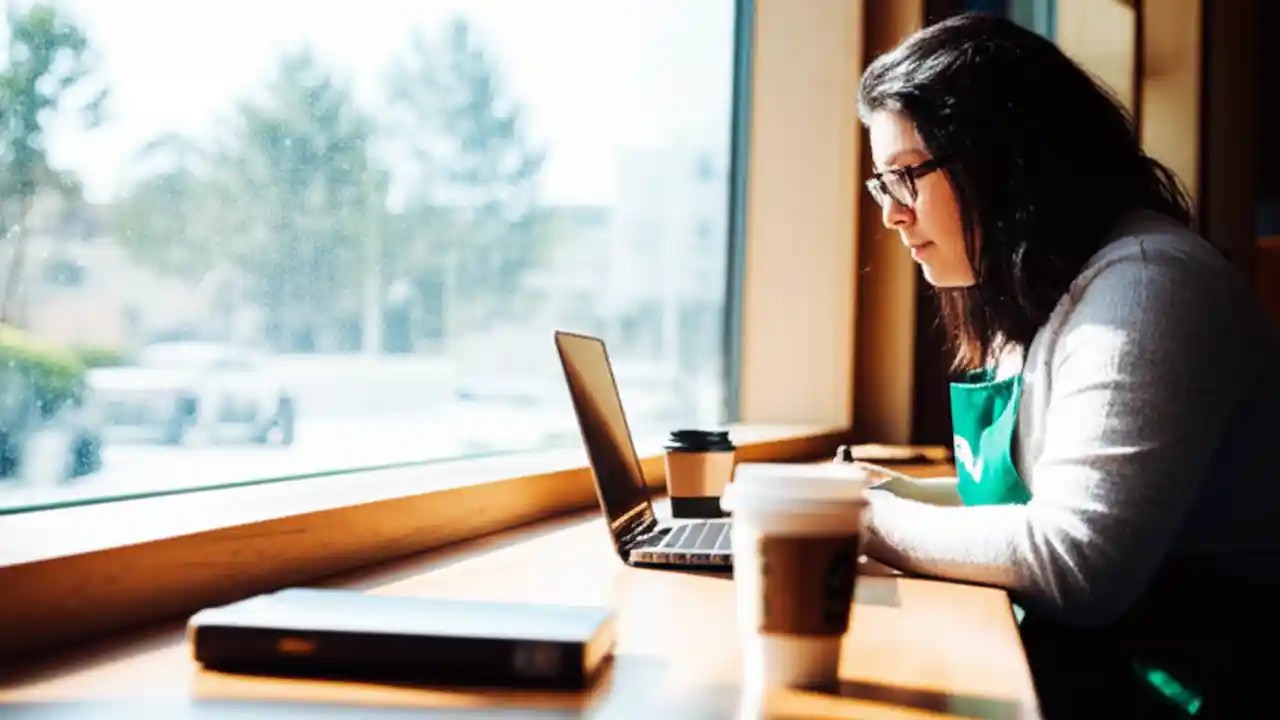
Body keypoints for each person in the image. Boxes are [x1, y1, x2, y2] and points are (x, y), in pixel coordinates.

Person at [855, 13, 1280, 718]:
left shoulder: (1147, 285)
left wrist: (862, 519)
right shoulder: (1042, 294)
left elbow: (1075, 560)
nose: (892, 216)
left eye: (906, 177)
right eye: (882, 185)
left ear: (1001, 160)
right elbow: (1033, 500)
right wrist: (883, 489)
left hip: (1202, 677)